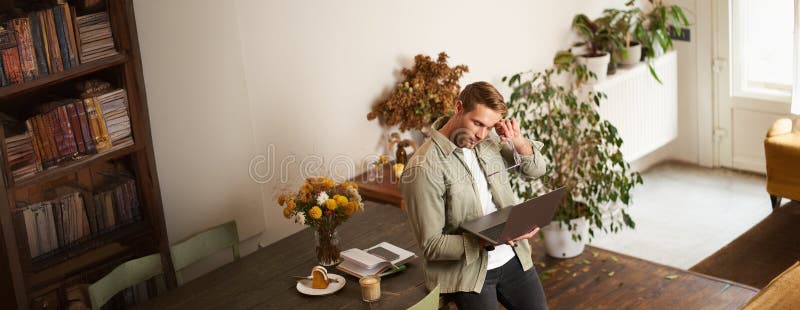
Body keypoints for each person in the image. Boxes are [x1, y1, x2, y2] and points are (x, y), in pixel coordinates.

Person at [400, 81, 549, 310]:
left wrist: (517, 140)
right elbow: (431, 245)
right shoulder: (423, 168)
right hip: (468, 273)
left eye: (489, 127)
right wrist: (489, 237)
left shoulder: (488, 143)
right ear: (459, 108)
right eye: (477, 123)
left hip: (512, 257)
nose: (481, 134)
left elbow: (536, 169)